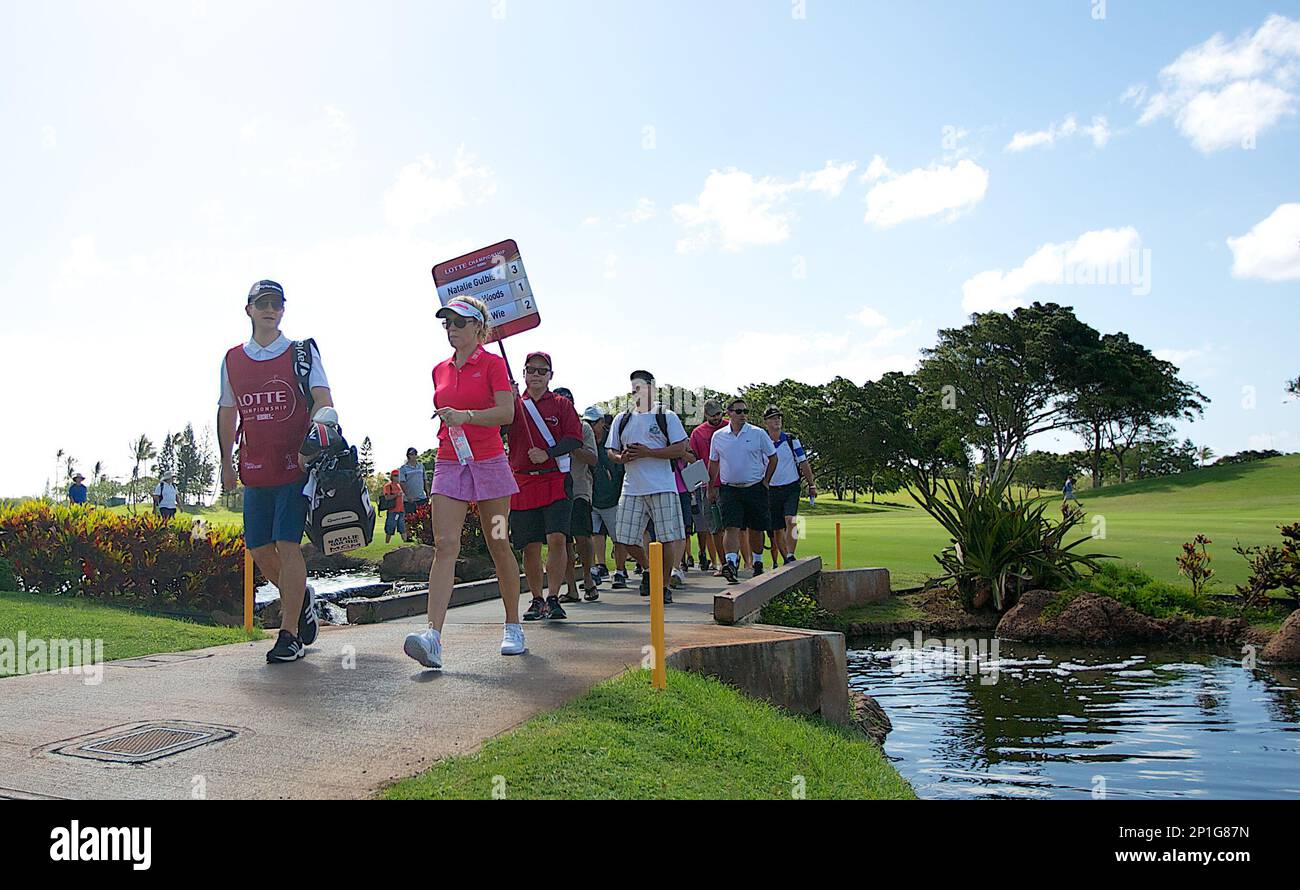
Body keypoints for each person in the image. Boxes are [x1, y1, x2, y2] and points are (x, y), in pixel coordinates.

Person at [403, 296, 525, 669]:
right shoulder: (439, 369)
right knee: (444, 544)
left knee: (499, 542)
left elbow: (506, 412)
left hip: (490, 464)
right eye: (447, 322)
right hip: (449, 461)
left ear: (478, 327)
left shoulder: (493, 364)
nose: (451, 327)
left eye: (459, 321)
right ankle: (433, 637)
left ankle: (513, 625)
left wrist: (467, 415)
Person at [218, 279, 330, 663]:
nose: (270, 310)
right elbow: (227, 409)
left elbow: (323, 401)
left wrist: (311, 445)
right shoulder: (233, 359)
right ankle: (303, 601)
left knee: (287, 544)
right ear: (248, 309)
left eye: (277, 304)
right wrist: (224, 461)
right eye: (262, 303)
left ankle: (289, 635)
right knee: (259, 548)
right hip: (254, 470)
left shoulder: (302, 352)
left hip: (295, 465)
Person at [507, 352, 583, 621]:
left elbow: (575, 438)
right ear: (524, 373)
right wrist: (506, 398)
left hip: (554, 478)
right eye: (531, 370)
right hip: (523, 482)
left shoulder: (561, 404)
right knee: (529, 545)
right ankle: (536, 598)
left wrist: (549, 452)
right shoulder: (514, 403)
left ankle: (553, 597)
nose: (536, 375)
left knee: (557, 538)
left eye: (542, 370)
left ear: (551, 375)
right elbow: (499, 427)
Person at [605, 370, 689, 603]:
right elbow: (610, 450)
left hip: (662, 485)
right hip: (632, 486)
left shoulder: (666, 415)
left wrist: (648, 452)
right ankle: (650, 569)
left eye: (641, 388)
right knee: (624, 538)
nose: (637, 394)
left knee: (666, 538)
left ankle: (663, 587)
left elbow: (680, 449)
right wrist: (621, 458)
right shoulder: (623, 418)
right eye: (633, 390)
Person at [708, 397, 777, 584]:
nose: (743, 415)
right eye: (738, 411)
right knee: (731, 527)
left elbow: (772, 458)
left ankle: (757, 562)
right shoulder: (719, 436)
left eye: (745, 411)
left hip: (754, 487)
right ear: (729, 413)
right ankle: (730, 564)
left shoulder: (758, 433)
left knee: (756, 529)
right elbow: (713, 463)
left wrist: (766, 481)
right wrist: (710, 488)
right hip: (729, 489)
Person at [557, 395, 599, 604]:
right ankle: (571, 588)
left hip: (580, 488)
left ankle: (589, 578)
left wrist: (572, 446)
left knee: (582, 537)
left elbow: (593, 458)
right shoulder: (549, 427)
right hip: (556, 491)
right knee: (562, 541)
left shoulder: (583, 428)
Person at [762, 406, 816, 564]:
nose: (777, 420)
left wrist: (811, 484)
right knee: (777, 528)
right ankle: (786, 557)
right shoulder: (762, 441)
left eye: (778, 417)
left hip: (791, 486)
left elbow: (803, 462)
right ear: (766, 422)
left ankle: (791, 554)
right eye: (772, 418)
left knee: (790, 519)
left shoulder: (791, 440)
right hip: (771, 489)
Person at [589, 411, 631, 588]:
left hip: (613, 498)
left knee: (618, 536)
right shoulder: (585, 440)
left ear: (601, 423)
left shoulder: (613, 441)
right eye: (587, 423)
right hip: (592, 497)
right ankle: (601, 566)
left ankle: (620, 571)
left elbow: (621, 470)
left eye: (593, 422)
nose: (590, 427)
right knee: (595, 534)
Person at [688, 399, 726, 572]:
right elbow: (692, 458)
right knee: (713, 527)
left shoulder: (729, 427)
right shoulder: (698, 433)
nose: (717, 418)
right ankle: (719, 562)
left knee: (732, 526)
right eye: (713, 415)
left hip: (730, 484)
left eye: (719, 413)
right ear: (706, 415)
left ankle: (734, 560)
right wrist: (698, 486)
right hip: (707, 486)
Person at [398, 447, 428, 541]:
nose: (414, 456)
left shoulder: (421, 466)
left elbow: (424, 480)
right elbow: (402, 482)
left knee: (425, 518)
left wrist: (427, 492)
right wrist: (407, 495)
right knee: (409, 518)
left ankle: (425, 536)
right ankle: (408, 536)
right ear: (408, 456)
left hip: (421, 497)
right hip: (409, 499)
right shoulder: (403, 468)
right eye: (411, 454)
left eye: (415, 454)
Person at [382, 469, 406, 544]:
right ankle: (387, 543)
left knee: (403, 528)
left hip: (401, 511)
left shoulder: (400, 486)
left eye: (398, 475)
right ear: (392, 476)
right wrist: (396, 495)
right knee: (390, 529)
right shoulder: (388, 486)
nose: (397, 477)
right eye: (395, 475)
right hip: (392, 511)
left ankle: (405, 542)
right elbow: (387, 497)